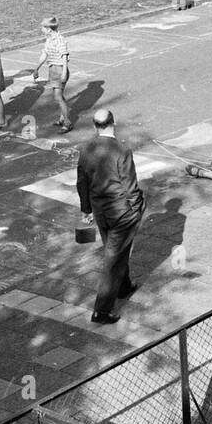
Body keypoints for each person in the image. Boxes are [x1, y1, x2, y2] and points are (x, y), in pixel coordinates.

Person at [76, 110, 145, 324]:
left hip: (100, 209)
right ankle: (101, 310)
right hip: (121, 211)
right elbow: (129, 184)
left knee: (115, 250)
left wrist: (86, 209)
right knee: (112, 259)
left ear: (94, 126)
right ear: (114, 122)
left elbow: (82, 181)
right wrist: (137, 207)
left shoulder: (86, 149)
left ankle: (123, 286)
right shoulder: (122, 150)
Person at [33, 16, 72, 133]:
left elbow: (64, 56)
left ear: (49, 29)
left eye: (43, 28)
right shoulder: (49, 39)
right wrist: (36, 69)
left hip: (60, 69)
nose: (41, 29)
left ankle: (67, 123)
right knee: (60, 97)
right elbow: (44, 54)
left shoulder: (59, 40)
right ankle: (62, 118)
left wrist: (64, 72)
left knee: (58, 97)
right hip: (53, 69)